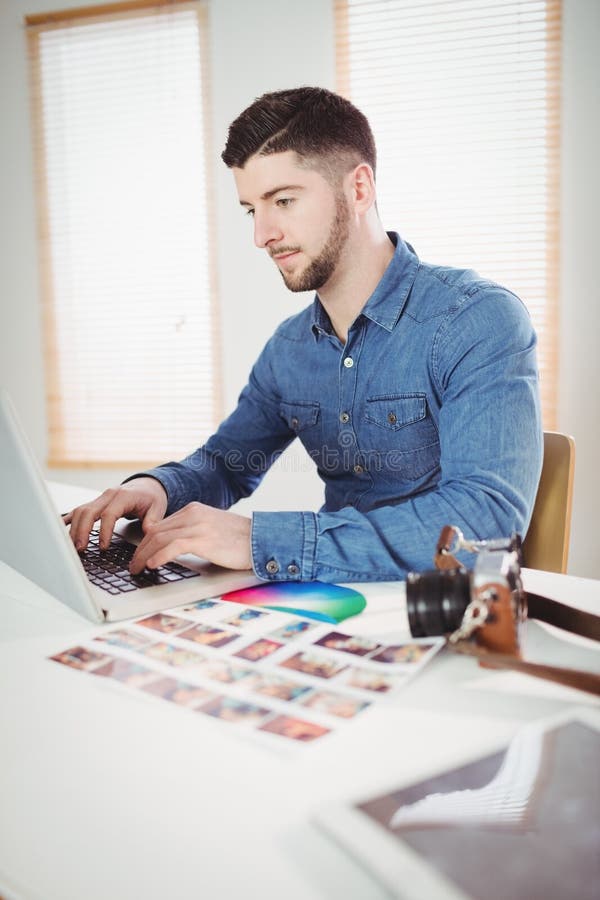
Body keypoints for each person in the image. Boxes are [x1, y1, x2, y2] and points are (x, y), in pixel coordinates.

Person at [65, 87, 542, 583]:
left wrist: (259, 539)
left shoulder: (475, 320)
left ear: (359, 189)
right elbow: (228, 463)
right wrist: (157, 488)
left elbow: (484, 519)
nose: (262, 235)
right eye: (252, 209)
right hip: (329, 602)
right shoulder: (289, 349)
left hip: (445, 608)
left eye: (284, 201)